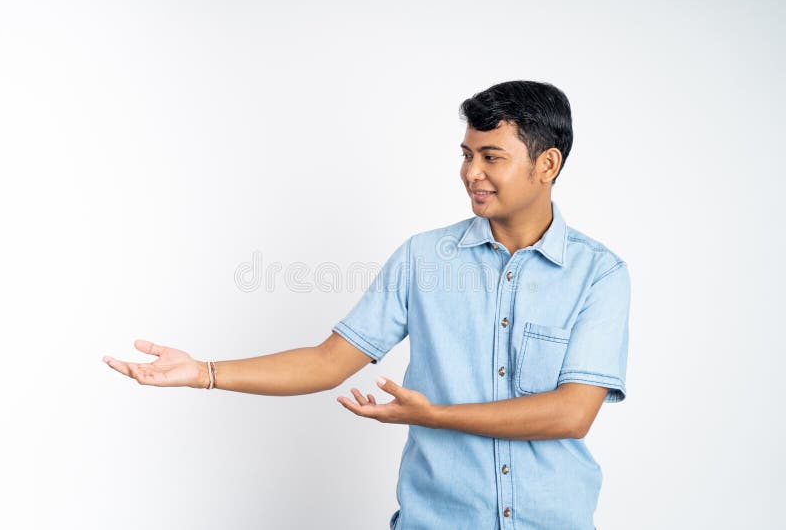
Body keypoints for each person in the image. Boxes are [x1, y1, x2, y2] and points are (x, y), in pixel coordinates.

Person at [103, 80, 630, 530]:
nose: (472, 173)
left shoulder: (598, 274)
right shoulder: (423, 257)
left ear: (547, 164)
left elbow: (571, 413)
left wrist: (437, 416)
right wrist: (204, 371)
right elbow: (328, 361)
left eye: (492, 157)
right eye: (467, 155)